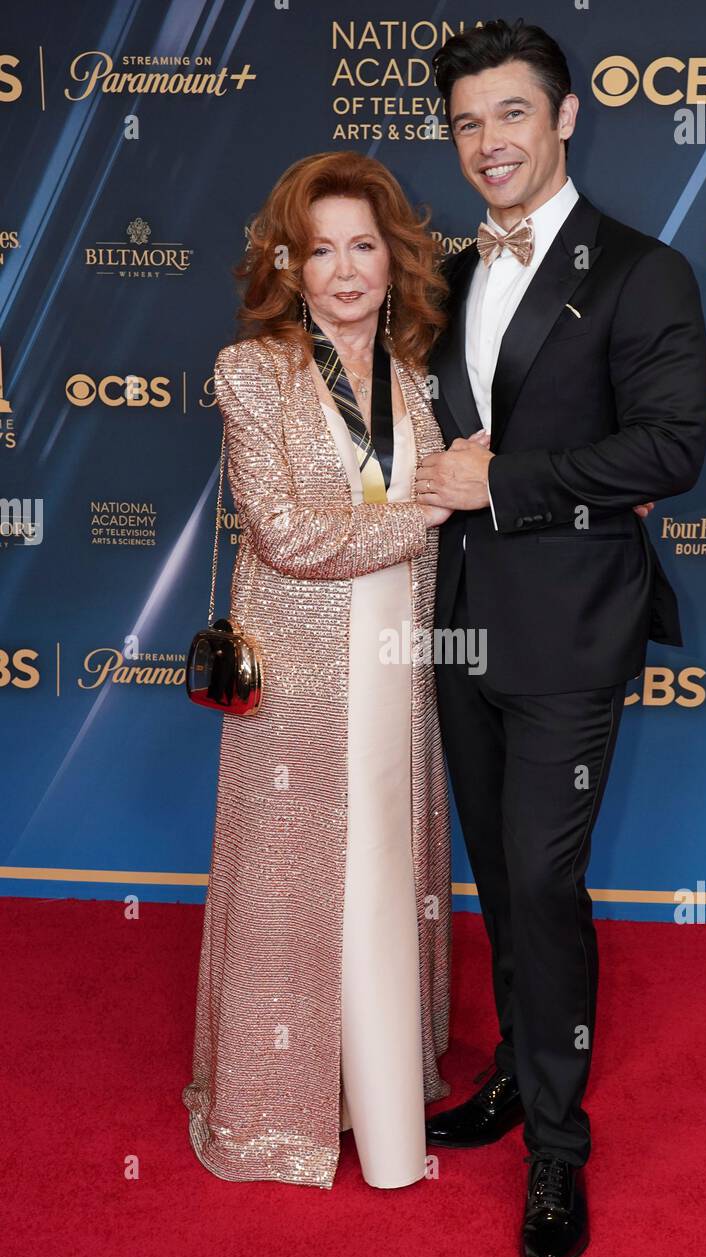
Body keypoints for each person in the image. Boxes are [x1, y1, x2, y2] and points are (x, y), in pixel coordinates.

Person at [417, 20, 706, 1257]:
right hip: (460, 625)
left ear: (567, 115)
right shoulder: (443, 269)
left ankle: (555, 1149)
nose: (488, 143)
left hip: (573, 631)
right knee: (496, 874)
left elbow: (669, 449)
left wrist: (509, 480)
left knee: (540, 880)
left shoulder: (642, 271)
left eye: (510, 116)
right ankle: (506, 1070)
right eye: (467, 122)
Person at [183, 151, 456, 1190]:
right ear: (289, 266)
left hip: (399, 663)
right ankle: (275, 1105)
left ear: (392, 258)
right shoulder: (252, 371)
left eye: (363, 246)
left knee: (386, 874)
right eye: (320, 250)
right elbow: (288, 535)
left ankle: (378, 1095)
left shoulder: (416, 379)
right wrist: (421, 512)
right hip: (299, 680)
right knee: (304, 879)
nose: (345, 270)